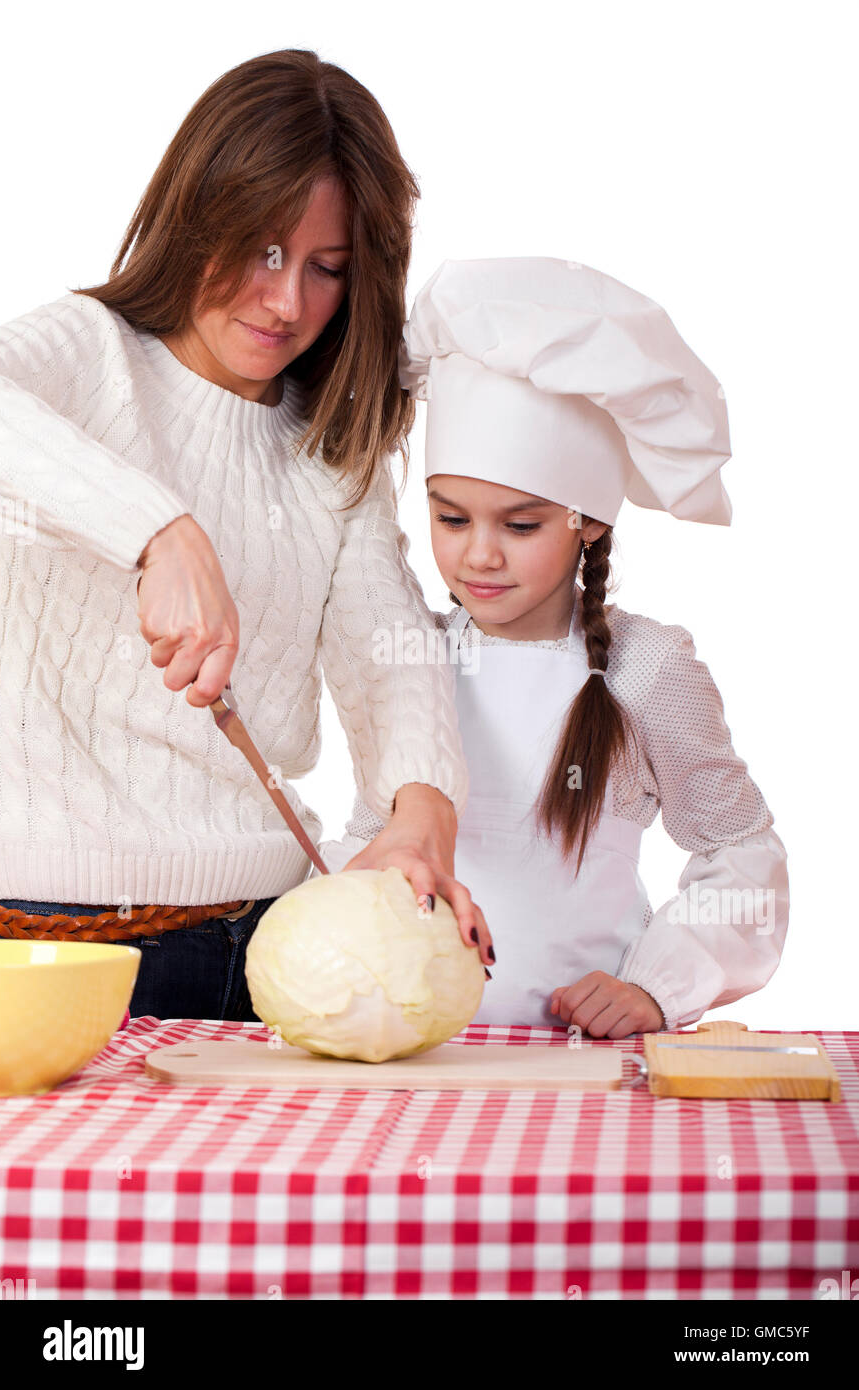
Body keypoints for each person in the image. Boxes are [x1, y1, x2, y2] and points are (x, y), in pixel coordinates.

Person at [0, 51, 494, 1023]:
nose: (288, 303)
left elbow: (386, 648)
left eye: (327, 270)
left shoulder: (325, 449)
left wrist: (421, 816)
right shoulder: (83, 356)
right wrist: (159, 531)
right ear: (197, 215)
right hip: (28, 943)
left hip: (251, 943)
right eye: (263, 251)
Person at [317, 256, 789, 1037]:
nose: (480, 557)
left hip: (586, 1061)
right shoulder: (416, 662)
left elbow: (742, 851)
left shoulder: (647, 670)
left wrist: (655, 987)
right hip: (420, 1054)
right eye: (452, 518)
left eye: (522, 524)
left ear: (590, 521)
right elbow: (378, 841)